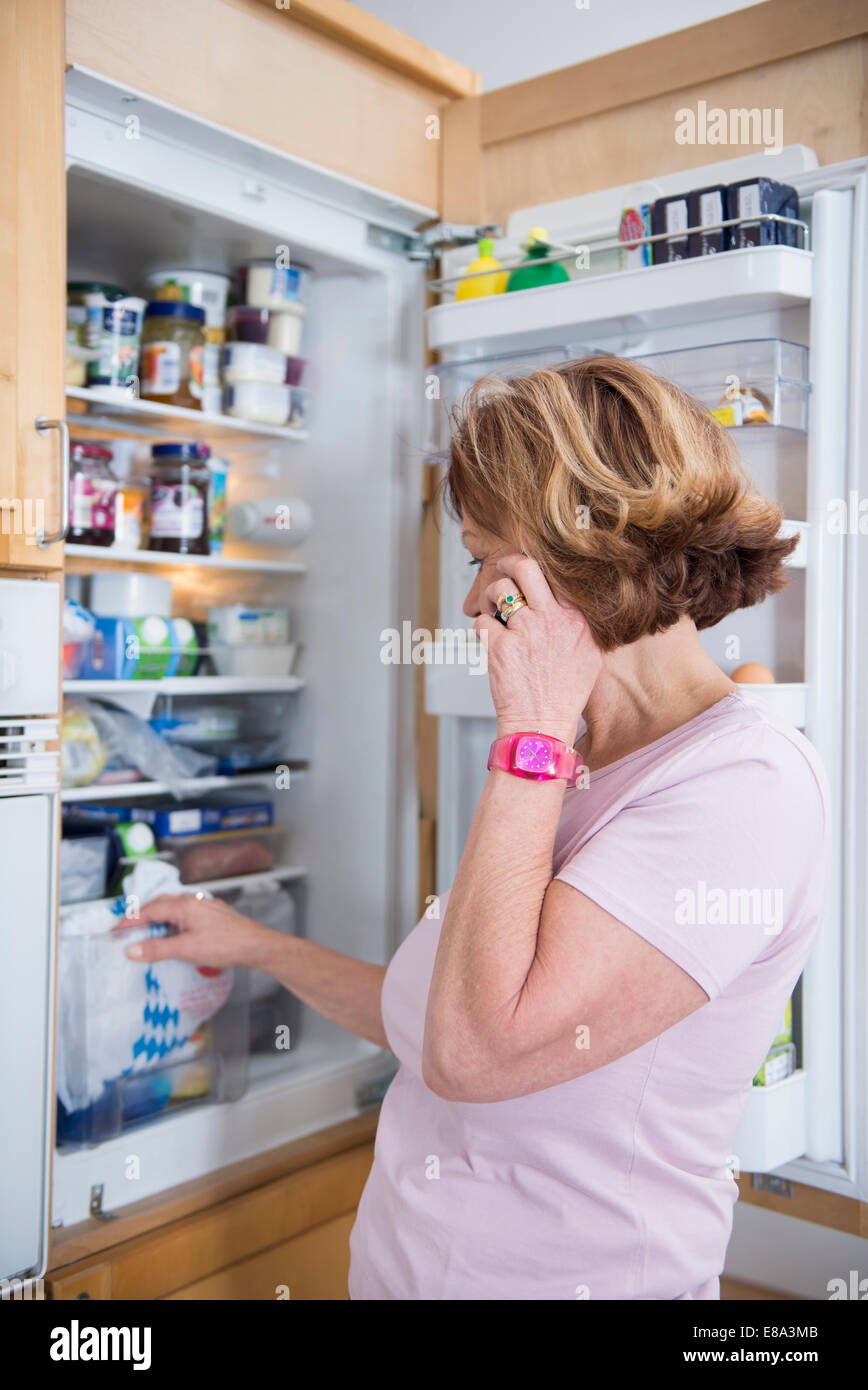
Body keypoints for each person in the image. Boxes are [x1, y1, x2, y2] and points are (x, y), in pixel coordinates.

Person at [131, 356, 828, 1300]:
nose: (470, 604)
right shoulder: (568, 763)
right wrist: (249, 942)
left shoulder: (742, 783)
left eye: (484, 564)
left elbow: (475, 1052)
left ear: (589, 548)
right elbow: (433, 1017)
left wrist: (531, 736)